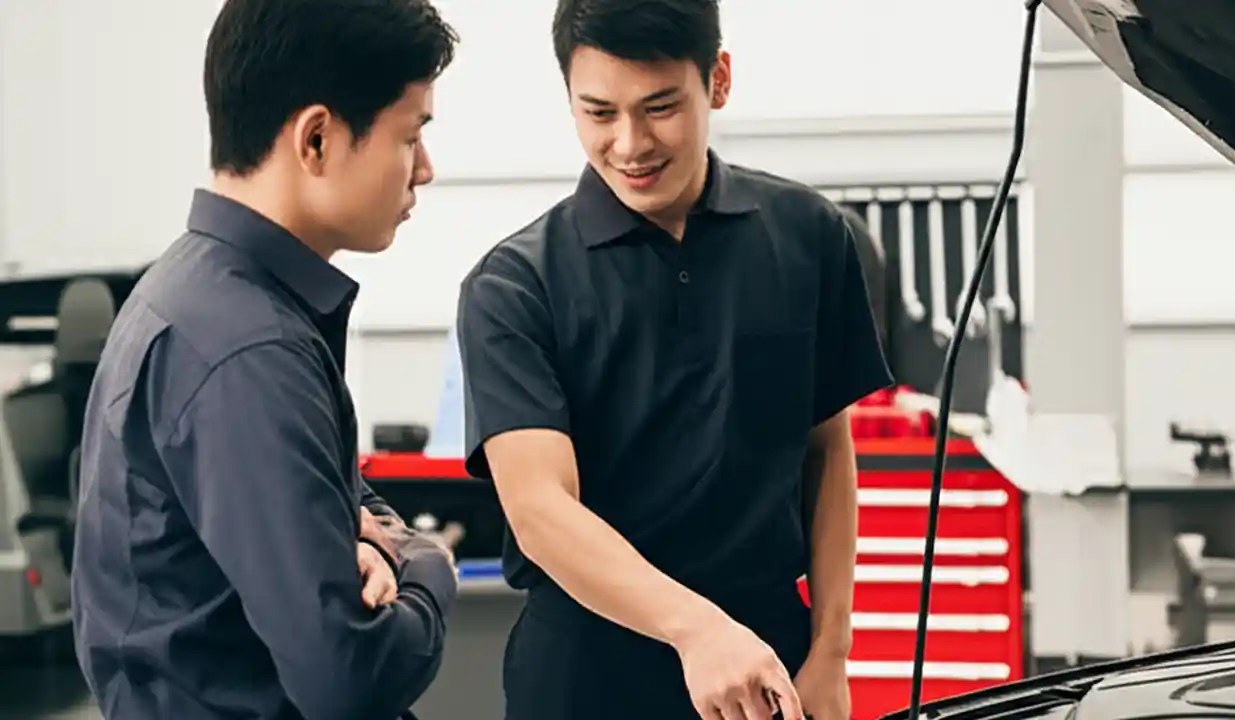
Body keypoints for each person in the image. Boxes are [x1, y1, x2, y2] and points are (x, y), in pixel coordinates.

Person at [455, 0, 894, 718]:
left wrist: (830, 652)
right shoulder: (514, 284)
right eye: (598, 113)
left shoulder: (810, 236)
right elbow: (540, 509)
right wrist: (699, 631)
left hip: (765, 663)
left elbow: (826, 449)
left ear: (717, 80)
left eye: (660, 107)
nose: (630, 143)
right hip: (585, 677)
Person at [70, 2, 460, 719]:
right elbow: (348, 677)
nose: (425, 171)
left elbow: (336, 502)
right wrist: (432, 569)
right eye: (411, 136)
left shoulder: (196, 294)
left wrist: (373, 538)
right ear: (316, 139)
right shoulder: (248, 353)